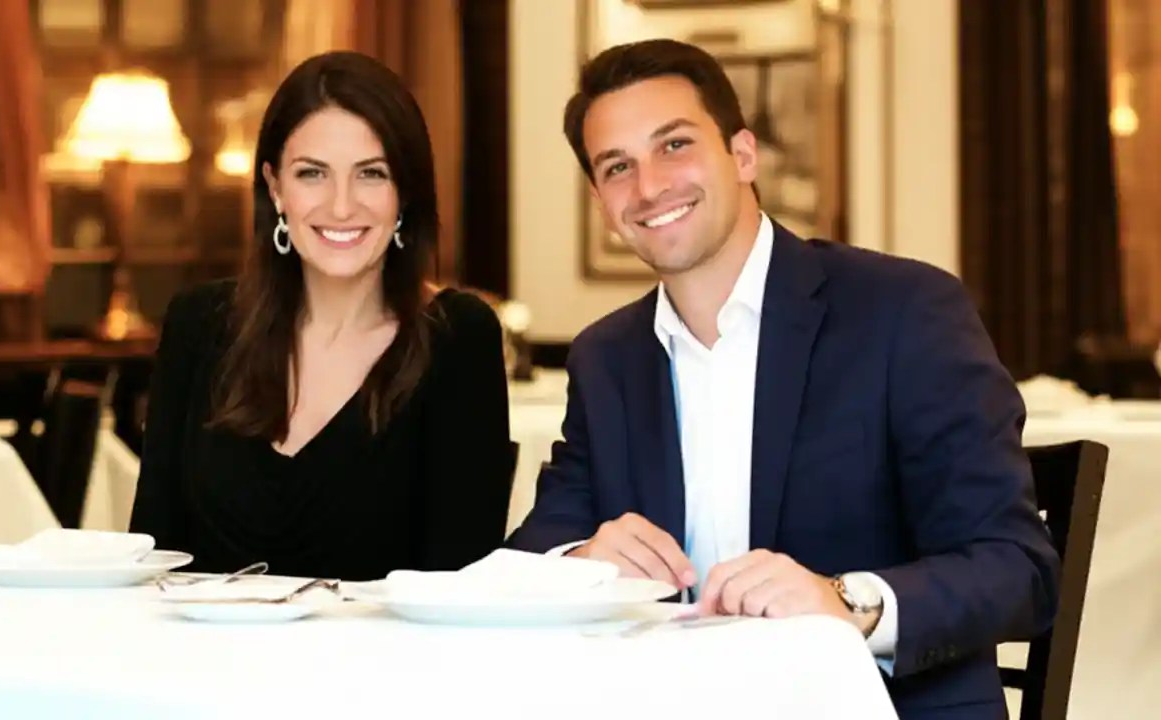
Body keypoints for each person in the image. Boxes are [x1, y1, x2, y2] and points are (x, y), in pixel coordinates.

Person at [507, 38, 1059, 718]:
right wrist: (581, 559)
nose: (649, 187)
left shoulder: (904, 312)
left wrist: (847, 602)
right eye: (617, 166)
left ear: (742, 154)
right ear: (600, 199)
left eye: (674, 145)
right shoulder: (606, 359)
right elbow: (535, 552)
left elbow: (1016, 569)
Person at [129, 52, 513, 581]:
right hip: (207, 661)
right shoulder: (199, 323)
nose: (340, 206)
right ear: (275, 186)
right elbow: (152, 556)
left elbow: (461, 583)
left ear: (406, 194)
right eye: (312, 174)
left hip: (385, 665)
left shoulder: (458, 337)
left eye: (371, 174)